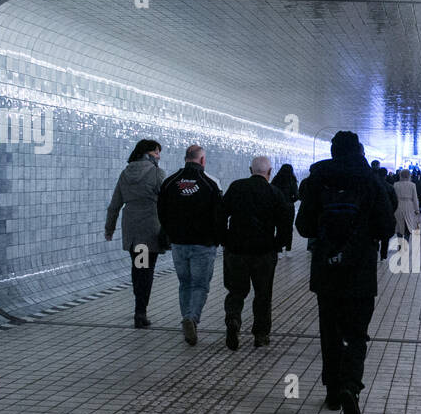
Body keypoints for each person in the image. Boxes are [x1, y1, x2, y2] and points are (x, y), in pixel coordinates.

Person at [295, 131, 395, 414]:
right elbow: (386, 227)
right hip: (360, 271)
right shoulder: (371, 181)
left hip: (326, 271)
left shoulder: (317, 179)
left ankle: (332, 394)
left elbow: (303, 227)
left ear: (333, 151)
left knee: (330, 331)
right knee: (356, 333)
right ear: (360, 151)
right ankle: (351, 386)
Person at [217, 156, 294, 350]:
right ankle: (260, 335)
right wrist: (277, 244)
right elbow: (285, 223)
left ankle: (233, 320)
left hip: (236, 250)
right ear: (269, 173)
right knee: (263, 294)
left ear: (250, 170)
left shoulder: (236, 187)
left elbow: (219, 215)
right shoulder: (274, 192)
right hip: (264, 252)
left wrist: (225, 239)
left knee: (236, 291)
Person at [157, 144, 222, 344]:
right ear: (202, 160)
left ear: (186, 158)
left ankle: (186, 317)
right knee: (200, 285)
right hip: (203, 244)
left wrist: (170, 233)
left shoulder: (169, 182)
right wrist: (218, 238)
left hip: (178, 243)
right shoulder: (211, 183)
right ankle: (191, 319)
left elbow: (162, 212)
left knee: (185, 284)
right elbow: (219, 215)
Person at [105, 138, 165, 328]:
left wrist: (109, 228)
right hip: (150, 229)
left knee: (139, 267)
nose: (159, 156)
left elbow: (115, 205)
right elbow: (168, 202)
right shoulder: (157, 173)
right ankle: (140, 312)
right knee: (146, 270)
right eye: (156, 152)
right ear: (147, 154)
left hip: (132, 230)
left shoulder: (125, 173)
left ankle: (139, 308)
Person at [370, 160, 397, 261]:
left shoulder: (372, 185)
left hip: (373, 214)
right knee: (385, 236)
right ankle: (383, 255)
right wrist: (390, 211)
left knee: (375, 234)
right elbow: (395, 202)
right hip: (386, 214)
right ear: (386, 175)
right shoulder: (390, 187)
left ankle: (375, 249)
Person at [271, 163, 299, 253]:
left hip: (278, 208)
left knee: (279, 228)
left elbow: (271, 191)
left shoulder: (276, 179)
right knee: (289, 228)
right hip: (289, 208)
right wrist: (291, 201)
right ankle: (288, 249)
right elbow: (297, 195)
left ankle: (279, 250)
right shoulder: (292, 180)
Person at [392, 169, 421, 242]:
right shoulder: (412, 185)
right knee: (408, 225)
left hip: (398, 206)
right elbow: (415, 198)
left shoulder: (395, 184)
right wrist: (417, 209)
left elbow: (393, 197)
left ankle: (400, 243)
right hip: (409, 206)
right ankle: (406, 243)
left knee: (399, 225)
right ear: (409, 175)